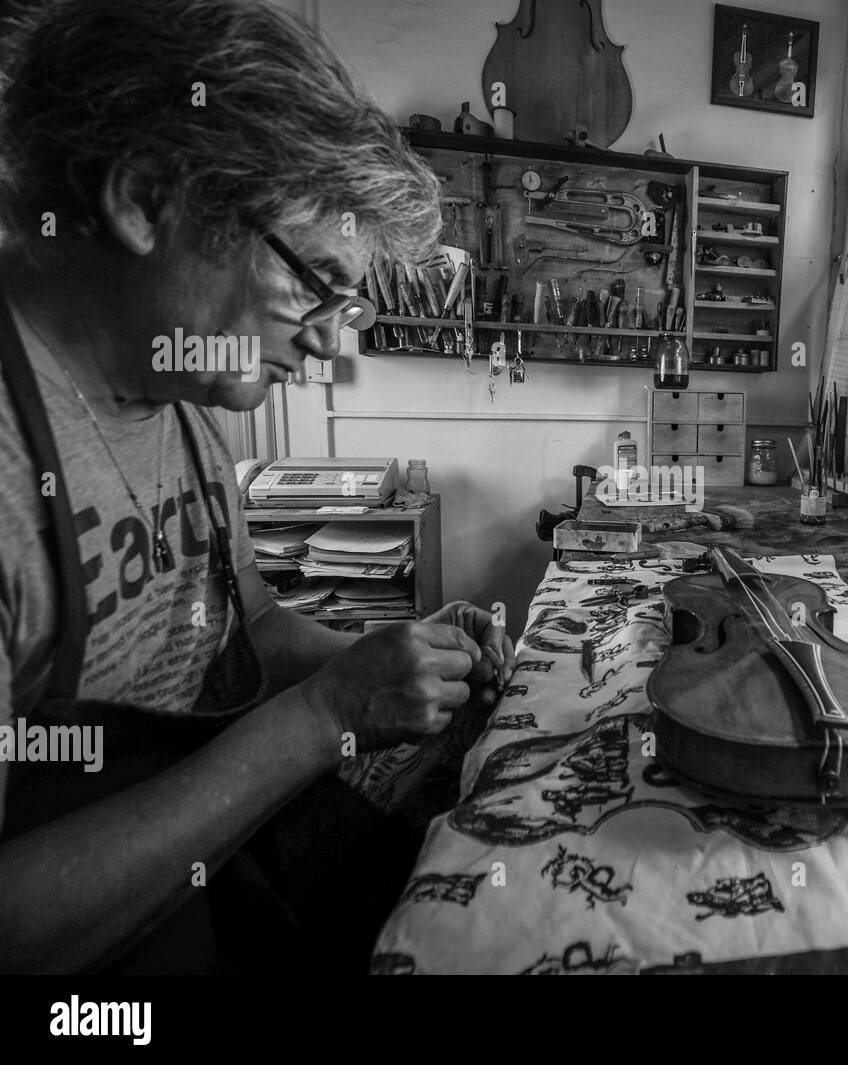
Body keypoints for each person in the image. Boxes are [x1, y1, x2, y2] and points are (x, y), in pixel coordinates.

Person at [0, 0, 514, 972]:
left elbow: (252, 631)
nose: (327, 338)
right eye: (311, 282)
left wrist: (399, 665)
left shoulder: (178, 389)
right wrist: (325, 718)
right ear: (148, 195)